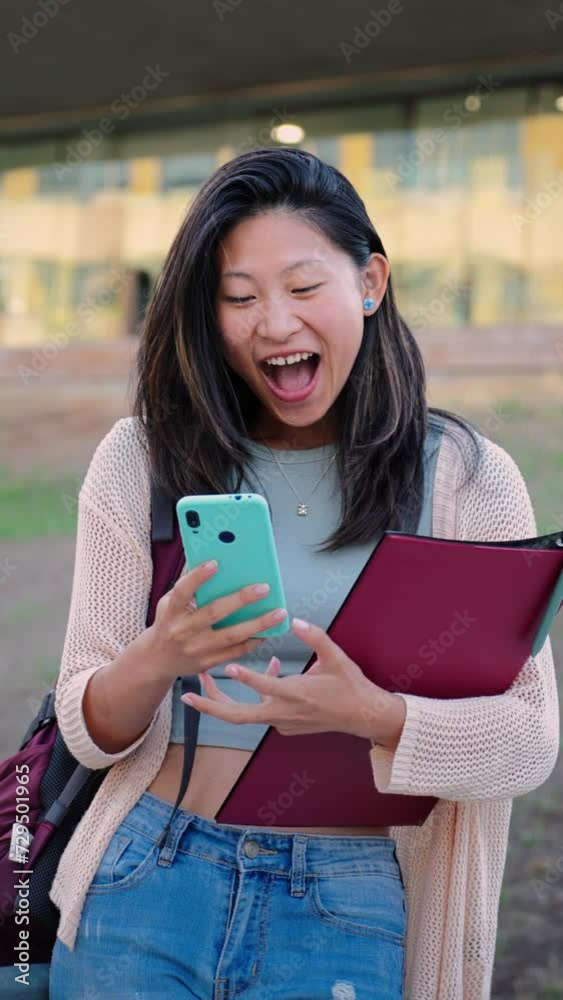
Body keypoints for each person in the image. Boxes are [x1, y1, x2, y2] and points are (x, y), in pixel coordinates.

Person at [47, 147, 559, 999]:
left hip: (343, 905)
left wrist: (375, 716)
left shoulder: (466, 479)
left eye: (302, 288)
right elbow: (81, 722)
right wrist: (161, 653)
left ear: (370, 283)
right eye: (238, 298)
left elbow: (529, 740)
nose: (272, 324)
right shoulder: (142, 459)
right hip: (146, 877)